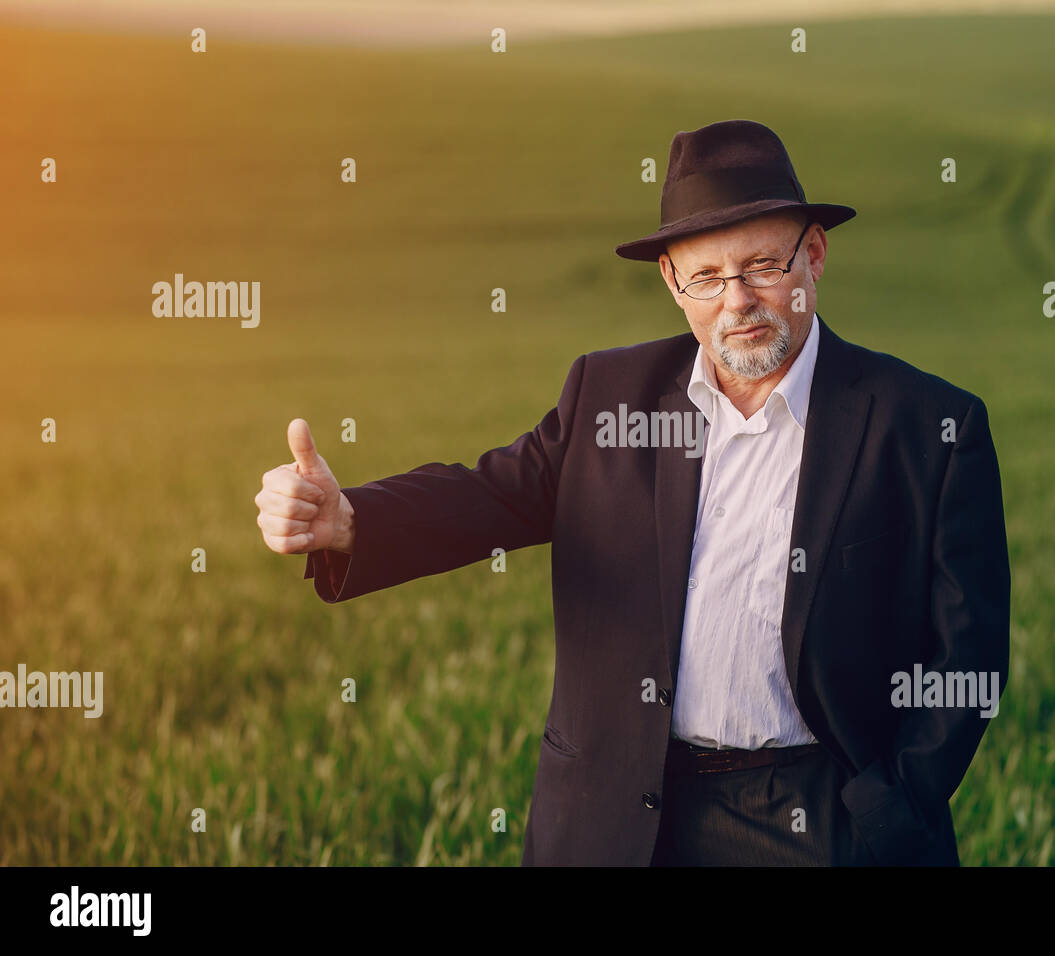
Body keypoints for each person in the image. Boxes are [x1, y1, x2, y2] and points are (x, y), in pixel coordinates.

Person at [254, 119, 1011, 866]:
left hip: (817, 819)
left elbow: (967, 652)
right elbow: (491, 495)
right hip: (617, 817)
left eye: (761, 267)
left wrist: (890, 807)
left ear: (813, 257)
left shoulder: (928, 426)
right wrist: (352, 519)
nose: (736, 301)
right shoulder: (611, 395)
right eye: (706, 278)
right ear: (672, 284)